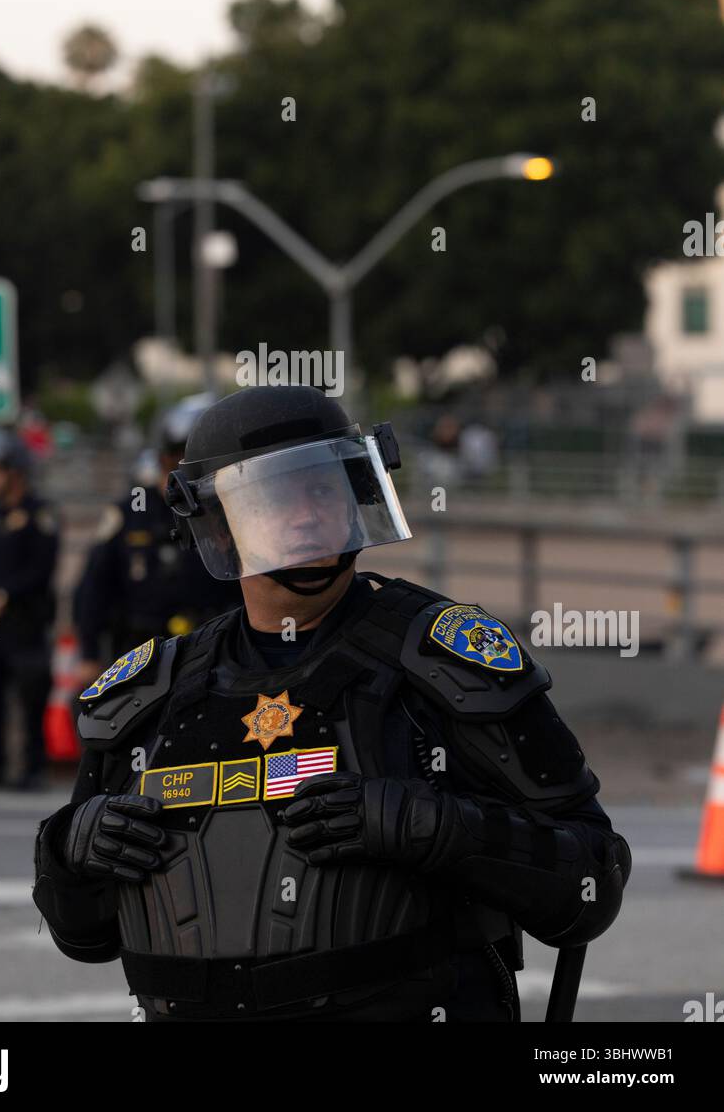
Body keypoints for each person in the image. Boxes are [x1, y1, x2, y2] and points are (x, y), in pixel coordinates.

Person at [33, 386, 631, 1023]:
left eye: (324, 488)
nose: (306, 515)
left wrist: (434, 829)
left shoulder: (444, 663)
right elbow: (86, 937)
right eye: (275, 497)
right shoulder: (153, 695)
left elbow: (592, 883)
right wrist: (70, 850)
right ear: (218, 519)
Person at [73, 394, 241, 679]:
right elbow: (93, 586)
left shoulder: (232, 511)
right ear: (166, 458)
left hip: (219, 650)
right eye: (184, 456)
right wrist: (88, 653)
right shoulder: (131, 512)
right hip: (142, 655)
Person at [0, 433, 59, 789]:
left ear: (14, 473)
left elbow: (42, 567)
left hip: (25, 620)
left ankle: (33, 767)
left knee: (31, 694)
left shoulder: (40, 515)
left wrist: (6, 594)